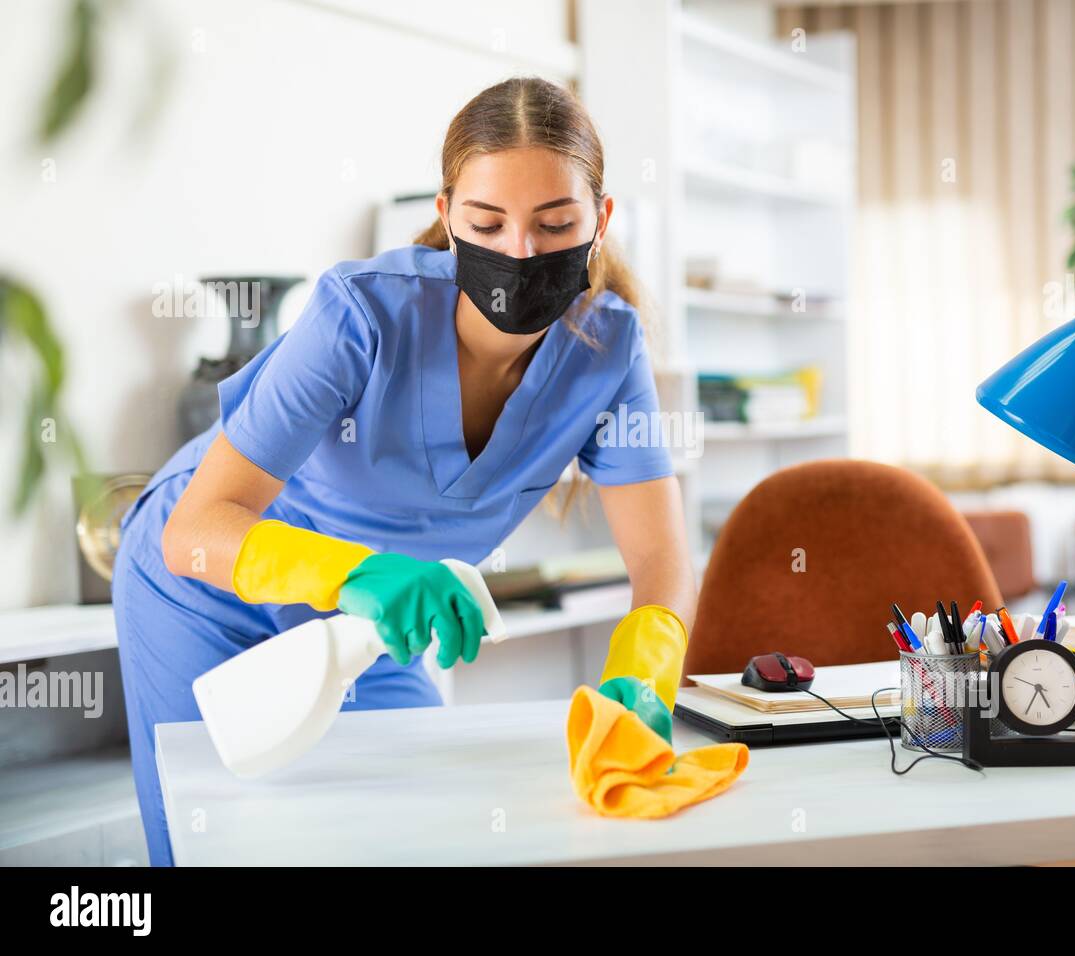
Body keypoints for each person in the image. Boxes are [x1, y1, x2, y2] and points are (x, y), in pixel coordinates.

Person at [112, 77, 696, 865]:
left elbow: (662, 566)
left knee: (419, 833)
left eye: (555, 223)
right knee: (220, 837)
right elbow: (196, 531)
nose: (520, 252)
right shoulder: (358, 316)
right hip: (205, 592)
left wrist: (644, 675)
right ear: (448, 214)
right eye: (488, 221)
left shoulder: (607, 348)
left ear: (601, 220)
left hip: (365, 626)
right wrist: (364, 572)